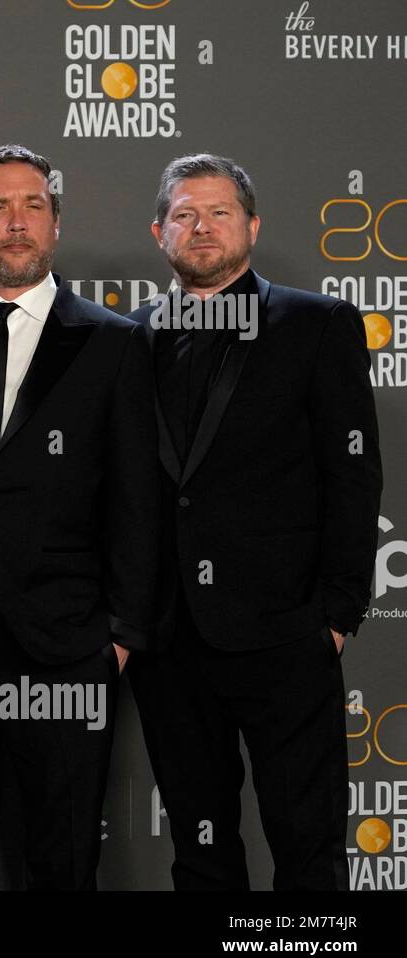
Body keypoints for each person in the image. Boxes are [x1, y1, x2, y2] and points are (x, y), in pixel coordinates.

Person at [0, 144, 159, 889]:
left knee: (62, 852)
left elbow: (137, 498)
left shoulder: (113, 342)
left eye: (33, 206)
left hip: (67, 639)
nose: (16, 222)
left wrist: (119, 637)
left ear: (54, 225)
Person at [126, 153, 381, 890]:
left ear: (253, 226)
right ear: (159, 232)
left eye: (218, 213)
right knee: (200, 851)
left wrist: (335, 612)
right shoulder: (129, 338)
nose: (201, 228)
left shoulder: (317, 324)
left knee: (308, 845)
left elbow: (353, 473)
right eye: (184, 215)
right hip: (171, 640)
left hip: (286, 634)